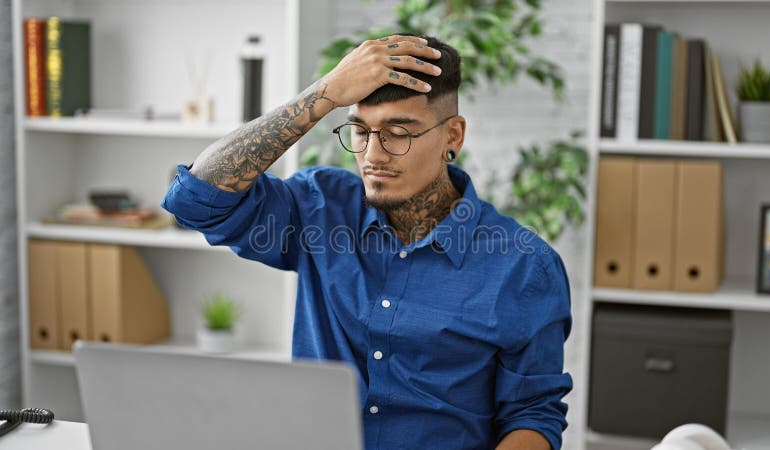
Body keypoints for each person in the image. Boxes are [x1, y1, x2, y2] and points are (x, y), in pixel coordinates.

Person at [162, 34, 572, 450]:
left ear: (453, 136)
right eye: (360, 131)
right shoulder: (319, 208)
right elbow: (194, 200)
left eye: (398, 133)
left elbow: (533, 415)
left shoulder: (524, 266)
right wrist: (325, 93)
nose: (373, 155)